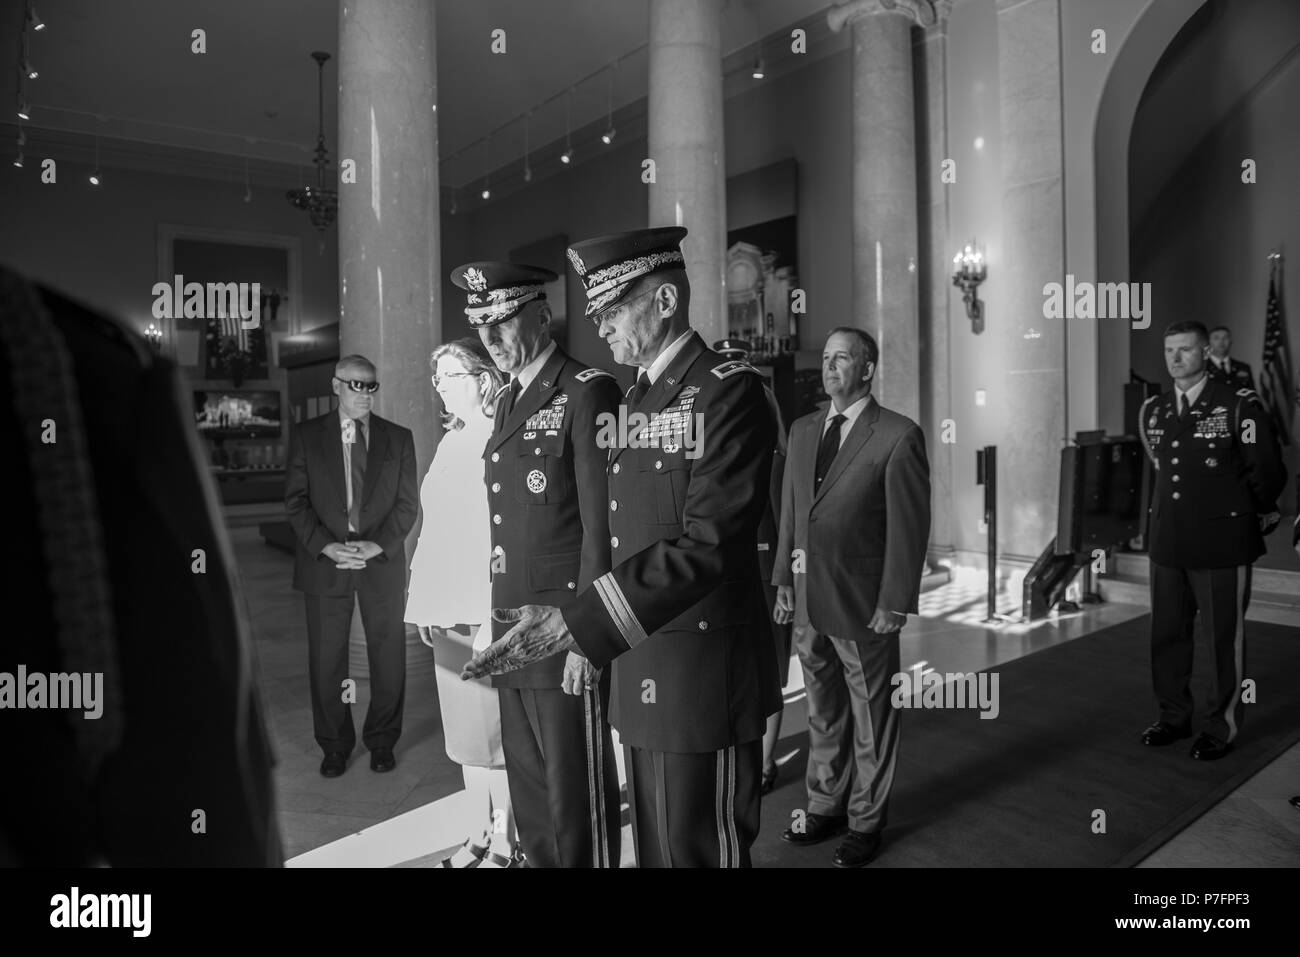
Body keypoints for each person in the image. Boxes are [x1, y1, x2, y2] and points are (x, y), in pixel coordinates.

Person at [463, 227, 782, 868]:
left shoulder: (726, 391)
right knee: (658, 850)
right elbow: (615, 528)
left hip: (700, 673)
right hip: (641, 663)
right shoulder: (637, 397)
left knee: (695, 852)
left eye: (612, 310)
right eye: (596, 313)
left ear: (664, 301)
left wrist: (579, 623)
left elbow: (709, 543)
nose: (601, 328)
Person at [452, 260, 622, 868]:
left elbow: (602, 531)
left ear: (541, 315)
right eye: (479, 327)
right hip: (512, 626)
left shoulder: (589, 390)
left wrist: (589, 634)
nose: (490, 340)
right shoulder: (507, 399)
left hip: (563, 628)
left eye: (500, 323)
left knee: (575, 790)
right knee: (530, 788)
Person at [773, 327, 931, 868]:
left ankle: (866, 820)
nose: (830, 366)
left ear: (867, 369)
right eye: (826, 357)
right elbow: (792, 516)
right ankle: (824, 804)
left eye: (843, 358)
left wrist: (895, 602)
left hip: (864, 602)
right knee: (822, 709)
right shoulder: (802, 430)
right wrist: (782, 584)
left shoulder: (897, 435)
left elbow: (909, 531)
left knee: (872, 714)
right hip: (808, 599)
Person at [1137, 321, 1285, 760]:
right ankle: (1172, 716)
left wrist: (1254, 511)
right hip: (1169, 541)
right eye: (1169, 351)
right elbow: (1162, 470)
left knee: (1222, 638)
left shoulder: (1239, 405)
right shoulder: (1154, 410)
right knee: (1167, 634)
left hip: (1222, 539)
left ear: (1205, 352)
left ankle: (1221, 725)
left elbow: (1268, 471)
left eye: (1185, 350)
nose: (1175, 358)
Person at [404, 337, 519, 868]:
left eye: (451, 376)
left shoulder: (500, 437)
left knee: (494, 738)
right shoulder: (451, 441)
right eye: (437, 380)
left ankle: (505, 843)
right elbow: (435, 530)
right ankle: (477, 833)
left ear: (482, 377)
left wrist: (492, 617)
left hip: (482, 611)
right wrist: (423, 600)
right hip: (446, 610)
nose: (441, 388)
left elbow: (504, 537)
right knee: (464, 740)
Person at [285, 354, 418, 778]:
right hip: (326, 565)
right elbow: (296, 501)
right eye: (355, 385)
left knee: (389, 659)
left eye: (370, 386)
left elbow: (407, 504)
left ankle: (382, 741)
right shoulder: (307, 436)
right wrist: (326, 547)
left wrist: (376, 547)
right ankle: (335, 745)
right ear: (335, 385)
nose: (364, 394)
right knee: (328, 662)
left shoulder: (399, 438)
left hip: (381, 564)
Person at [715, 337, 791, 794]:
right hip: (725, 577)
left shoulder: (777, 457)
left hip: (765, 575)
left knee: (772, 671)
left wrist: (786, 585)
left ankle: (764, 764)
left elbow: (785, 528)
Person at [1206, 326, 1256, 391]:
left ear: (1231, 341)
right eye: (1216, 338)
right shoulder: (1203, 367)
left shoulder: (1243, 367)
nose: (1221, 341)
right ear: (1208, 342)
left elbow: (1251, 394)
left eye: (1225, 338)